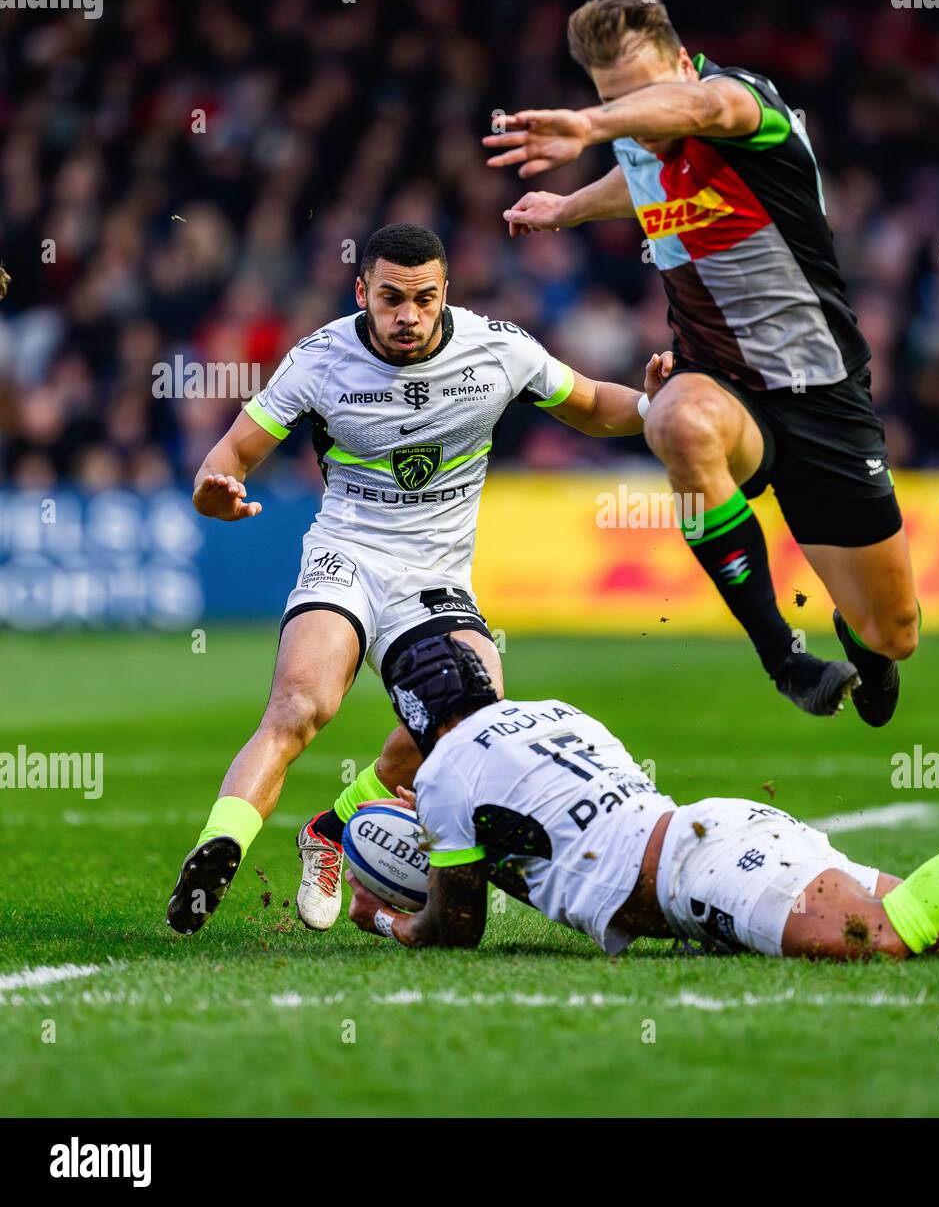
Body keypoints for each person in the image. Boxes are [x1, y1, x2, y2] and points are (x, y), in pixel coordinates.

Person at [166, 223, 668, 935]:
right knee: (300, 705)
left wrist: (654, 408)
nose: (409, 316)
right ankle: (217, 849)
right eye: (392, 299)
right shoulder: (319, 360)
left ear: (444, 296)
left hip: (434, 579)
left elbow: (588, 403)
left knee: (469, 721)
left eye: (424, 299)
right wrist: (212, 492)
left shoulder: (498, 349)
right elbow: (229, 458)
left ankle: (334, 830)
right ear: (362, 292)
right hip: (345, 556)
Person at [485, 0, 919, 724]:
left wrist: (590, 122)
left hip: (822, 391)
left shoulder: (741, 106)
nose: (632, 118)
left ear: (685, 66)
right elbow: (643, 174)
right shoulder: (638, 134)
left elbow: (697, 114)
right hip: (720, 382)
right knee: (677, 422)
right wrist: (567, 208)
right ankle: (783, 657)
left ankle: (866, 651)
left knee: (894, 630)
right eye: (611, 101)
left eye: (643, 96)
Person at [345, 635, 939, 959]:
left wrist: (380, 915)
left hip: (701, 871)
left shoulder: (442, 778)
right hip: (708, 833)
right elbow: (553, 847)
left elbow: (453, 930)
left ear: (415, 714)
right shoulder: (547, 711)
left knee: (883, 941)